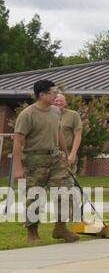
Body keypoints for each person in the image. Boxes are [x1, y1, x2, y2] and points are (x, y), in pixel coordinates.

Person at [12, 79, 78, 243]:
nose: (56, 95)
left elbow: (59, 132)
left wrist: (65, 153)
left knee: (66, 191)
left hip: (55, 158)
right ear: (41, 95)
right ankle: (32, 232)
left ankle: (60, 228)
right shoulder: (27, 114)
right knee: (35, 196)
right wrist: (18, 168)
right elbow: (18, 142)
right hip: (34, 159)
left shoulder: (56, 111)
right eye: (53, 92)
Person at [51, 92, 82, 171]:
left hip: (66, 152)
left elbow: (77, 135)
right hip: (50, 153)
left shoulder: (73, 115)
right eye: (56, 100)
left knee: (68, 180)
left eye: (61, 101)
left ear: (65, 102)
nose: (58, 103)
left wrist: (72, 154)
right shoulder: (47, 114)